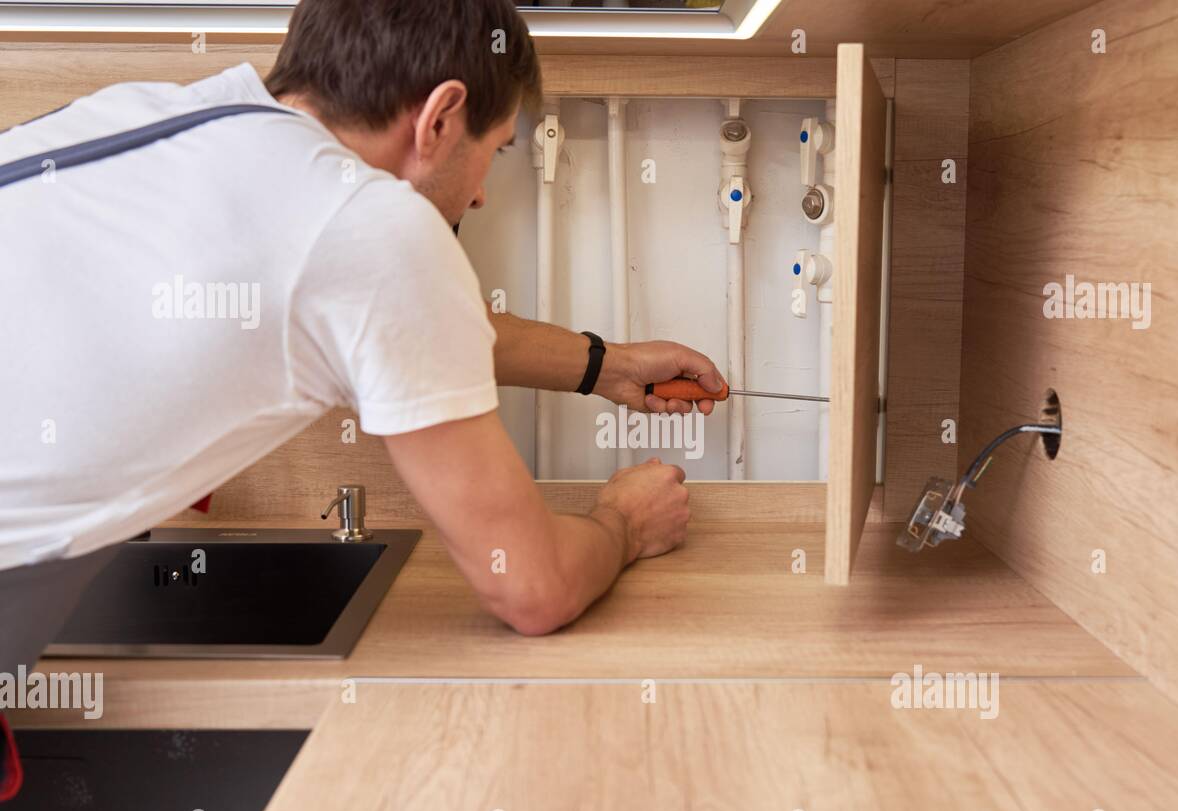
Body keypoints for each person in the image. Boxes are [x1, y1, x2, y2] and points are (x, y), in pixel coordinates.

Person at [0, 0, 726, 690]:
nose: (478, 198)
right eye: (495, 153)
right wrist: (624, 522)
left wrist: (609, 366)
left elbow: (393, 326)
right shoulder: (371, 226)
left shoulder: (161, 114)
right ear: (440, 117)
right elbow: (531, 587)